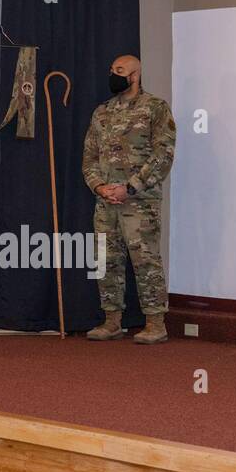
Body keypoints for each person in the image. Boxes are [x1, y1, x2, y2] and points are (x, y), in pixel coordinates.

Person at [81, 54, 177, 345]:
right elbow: (89, 157)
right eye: (111, 69)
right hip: (106, 202)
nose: (113, 74)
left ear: (135, 75)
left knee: (145, 261)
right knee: (105, 261)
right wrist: (100, 187)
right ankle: (111, 321)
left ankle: (155, 323)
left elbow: (163, 156)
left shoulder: (155, 108)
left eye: (119, 70)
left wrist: (130, 187)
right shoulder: (101, 112)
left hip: (140, 202)